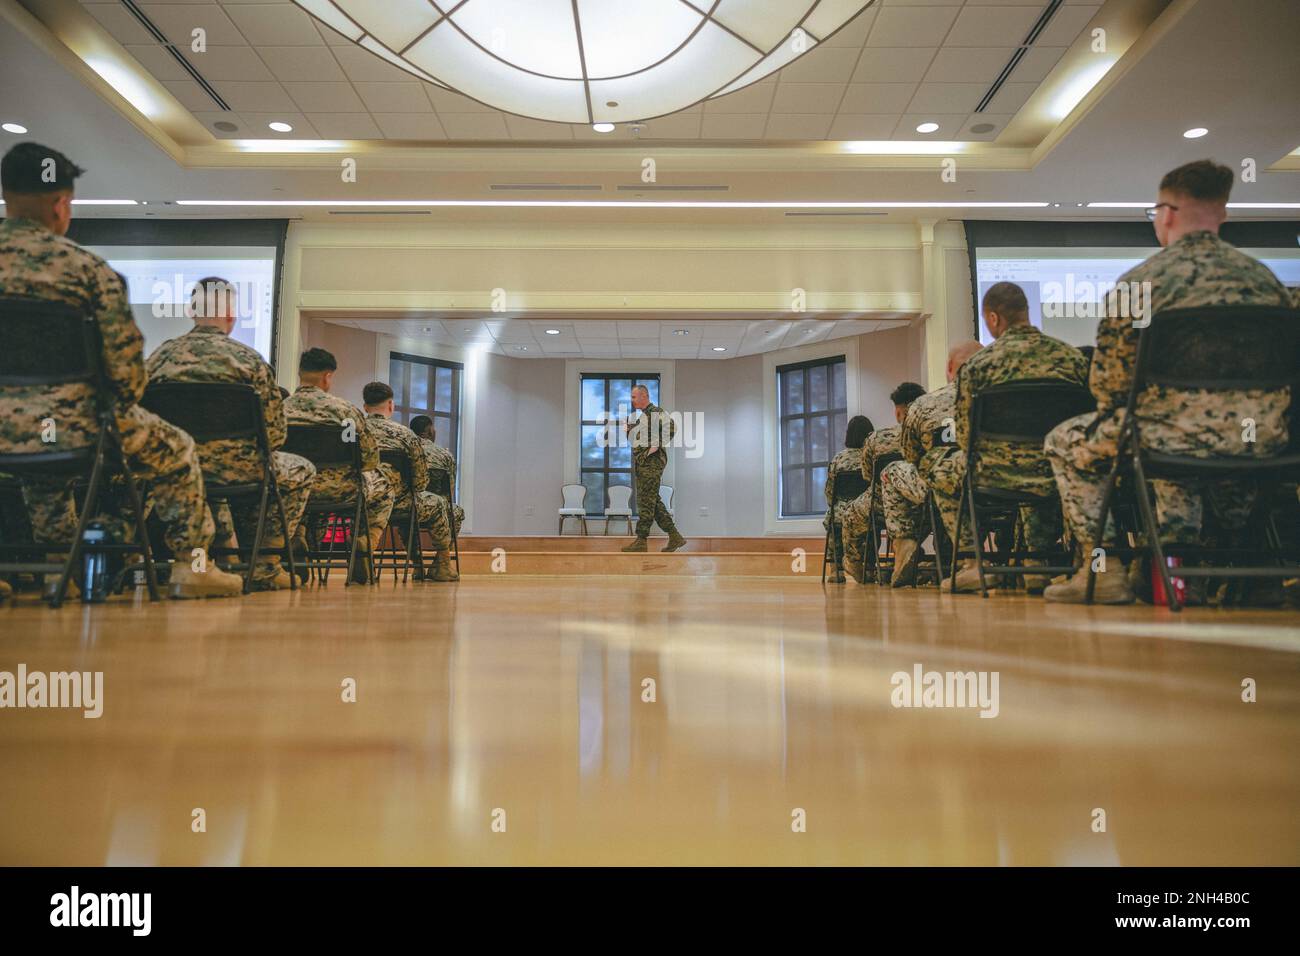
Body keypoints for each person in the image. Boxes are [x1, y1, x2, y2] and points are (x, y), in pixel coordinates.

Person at [1044, 159, 1294, 604]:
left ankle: (1104, 571)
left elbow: (1110, 388)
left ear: (1166, 214)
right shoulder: (1270, 284)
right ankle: (1250, 575)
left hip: (1165, 439)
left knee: (1065, 440)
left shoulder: (1142, 284)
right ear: (1223, 214)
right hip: (1265, 441)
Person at [0, 142, 242, 600]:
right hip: (78, 426)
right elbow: (127, 380)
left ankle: (58, 563)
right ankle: (192, 566)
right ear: (62, 204)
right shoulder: (89, 272)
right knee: (179, 448)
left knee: (39, 463)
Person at [145, 277, 316, 590]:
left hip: (172, 469)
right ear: (231, 315)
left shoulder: (158, 359)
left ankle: (161, 563)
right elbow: (275, 436)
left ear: (192, 311)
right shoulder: (250, 361)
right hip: (238, 470)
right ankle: (263, 568)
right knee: (300, 471)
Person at [934, 282, 1088, 594]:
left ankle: (972, 565)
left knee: (938, 469)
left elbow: (965, 436)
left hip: (994, 472)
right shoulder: (1071, 359)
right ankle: (1040, 563)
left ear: (993, 319)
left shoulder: (978, 367)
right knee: (1043, 472)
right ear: (1026, 313)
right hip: (1059, 471)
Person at [284, 348, 394, 583]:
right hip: (342, 490)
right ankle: (365, 542)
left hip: (292, 489)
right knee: (384, 486)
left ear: (300, 373)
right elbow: (369, 459)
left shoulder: (281, 409)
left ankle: (296, 534)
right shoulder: (344, 412)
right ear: (328, 376)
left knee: (299, 498)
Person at [879, 342, 983, 587]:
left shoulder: (926, 405)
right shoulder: (1001, 397)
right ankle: (1031, 564)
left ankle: (904, 543)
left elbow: (910, 454)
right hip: (1003, 483)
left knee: (891, 471)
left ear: (949, 368)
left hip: (943, 485)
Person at [361, 383, 457, 582]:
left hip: (357, 504)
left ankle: (364, 550)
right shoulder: (405, 435)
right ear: (391, 406)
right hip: (399, 505)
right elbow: (420, 481)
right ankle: (443, 565)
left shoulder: (353, 431)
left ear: (364, 406)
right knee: (438, 504)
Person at [841, 382, 926, 583]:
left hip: (879, 505)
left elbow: (868, 477)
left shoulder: (877, 438)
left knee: (850, 515)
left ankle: (857, 564)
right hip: (925, 503)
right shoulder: (928, 432)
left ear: (898, 411)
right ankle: (942, 563)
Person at [620, 384, 686, 553]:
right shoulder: (644, 417)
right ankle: (674, 536)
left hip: (651, 464)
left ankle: (641, 540)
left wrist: (657, 444)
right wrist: (629, 431)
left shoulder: (656, 412)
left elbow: (672, 428)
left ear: (644, 396)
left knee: (646, 502)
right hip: (643, 464)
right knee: (652, 501)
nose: (632, 400)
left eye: (634, 397)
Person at [823, 415, 874, 583]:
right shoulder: (872, 457)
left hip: (841, 511)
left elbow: (830, 492)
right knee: (873, 527)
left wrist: (835, 505)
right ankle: (870, 568)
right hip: (866, 510)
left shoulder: (838, 459)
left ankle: (835, 569)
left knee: (832, 519)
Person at [409, 414, 465, 538]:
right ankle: (444, 552)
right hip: (435, 509)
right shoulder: (445, 455)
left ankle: (412, 552)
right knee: (457, 511)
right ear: (429, 431)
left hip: (404, 509)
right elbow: (449, 491)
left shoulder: (405, 451)